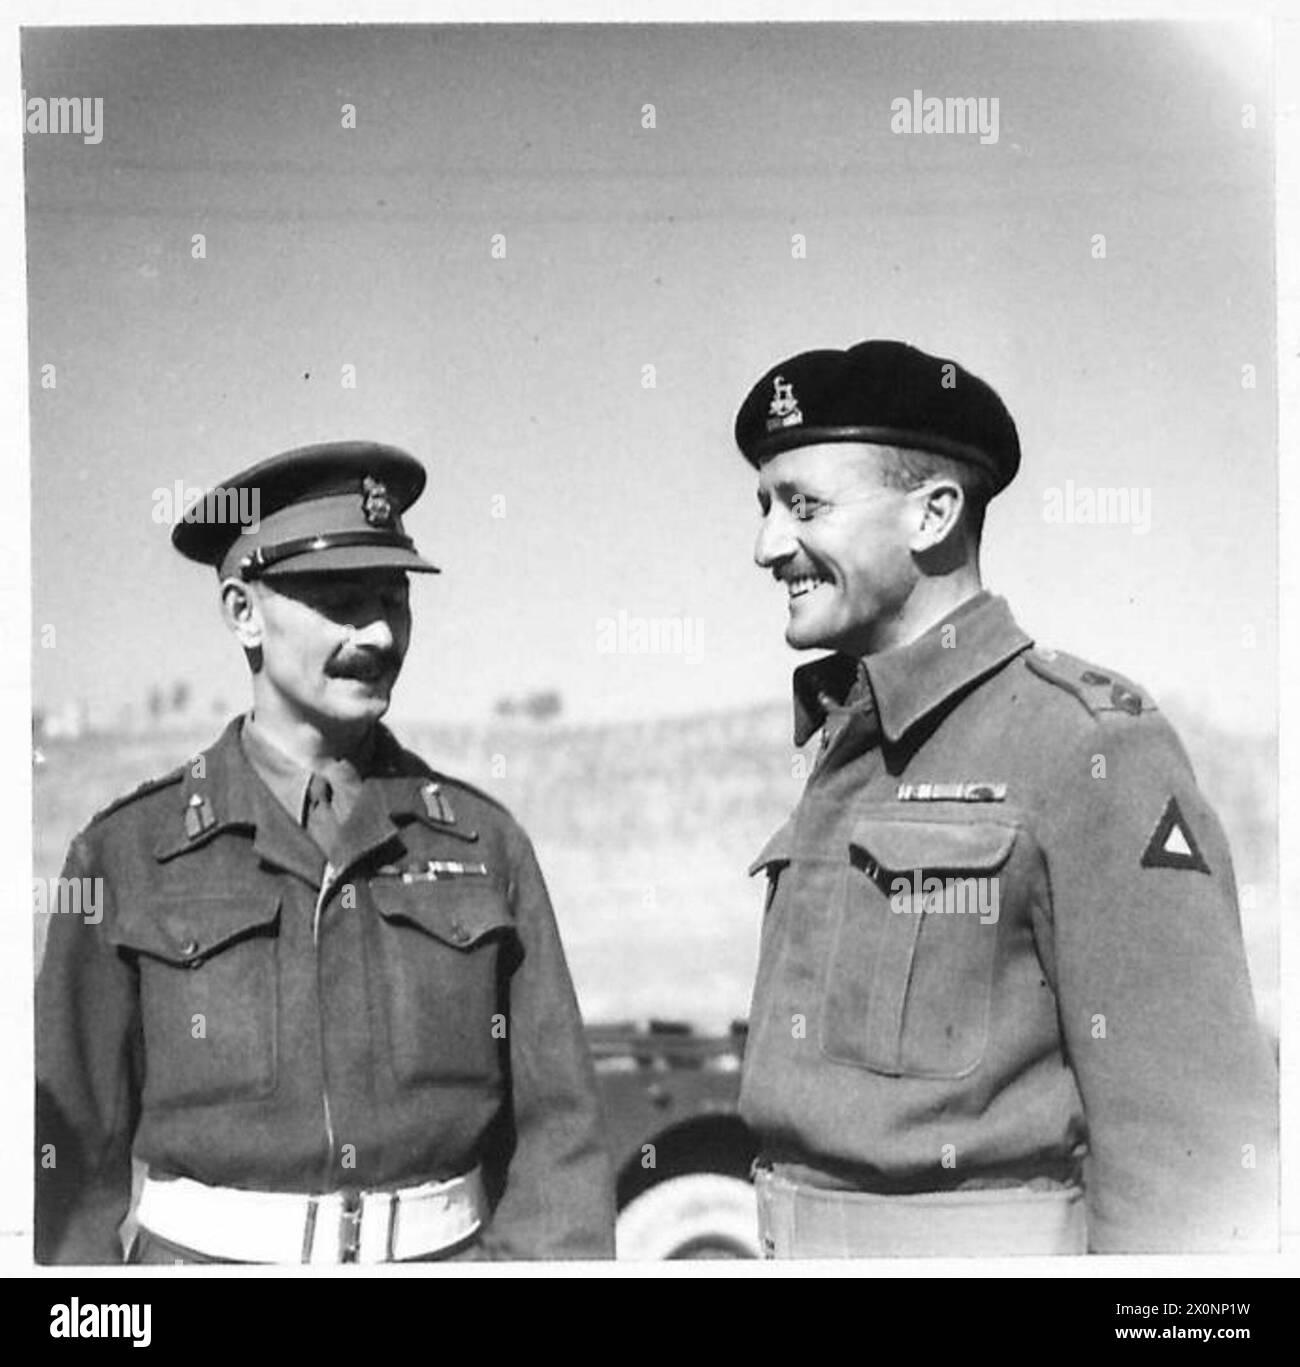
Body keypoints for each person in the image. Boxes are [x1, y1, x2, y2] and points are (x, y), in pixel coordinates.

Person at [733, 340, 1277, 1257]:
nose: (766, 546)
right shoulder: (843, 743)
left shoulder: (1090, 744)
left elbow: (1197, 1157)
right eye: (763, 507)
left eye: (804, 506)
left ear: (933, 512)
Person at [36, 441, 614, 1263]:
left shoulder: (486, 845)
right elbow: (66, 1172)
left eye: (393, 597)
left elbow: (561, 1140)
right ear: (243, 611)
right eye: (341, 600)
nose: (377, 631)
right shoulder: (125, 854)